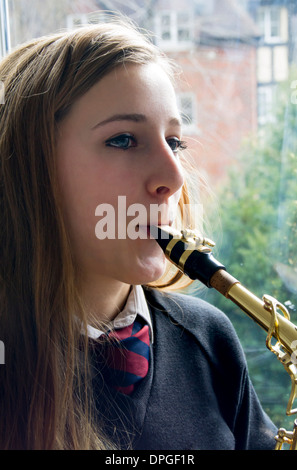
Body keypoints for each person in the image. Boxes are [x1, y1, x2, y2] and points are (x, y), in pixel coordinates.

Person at [0, 18, 277, 450]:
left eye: (175, 141)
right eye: (124, 139)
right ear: (29, 170)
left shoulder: (209, 338)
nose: (173, 177)